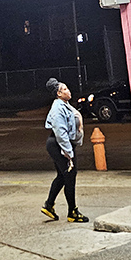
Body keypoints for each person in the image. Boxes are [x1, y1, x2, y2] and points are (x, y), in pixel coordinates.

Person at [42, 77, 89, 223]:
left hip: (60, 143)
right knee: (69, 175)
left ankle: (49, 206)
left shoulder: (65, 105)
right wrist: (68, 153)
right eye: (64, 89)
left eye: (67, 88)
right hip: (58, 144)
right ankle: (72, 212)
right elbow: (60, 132)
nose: (68, 91)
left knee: (63, 176)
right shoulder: (58, 108)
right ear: (58, 93)